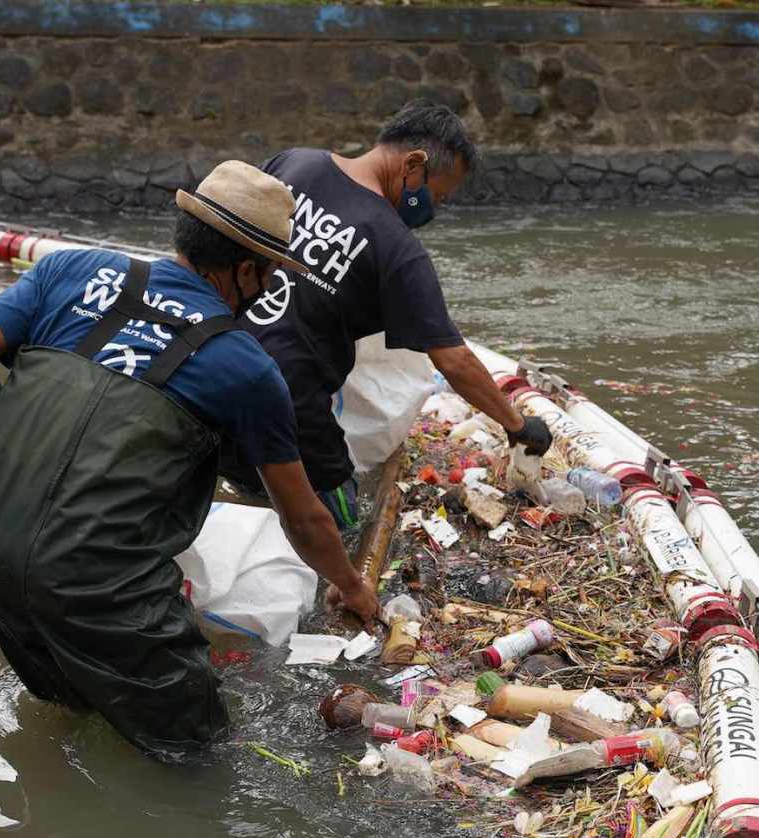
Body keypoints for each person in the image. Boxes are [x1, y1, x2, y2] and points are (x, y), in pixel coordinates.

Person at [0, 161, 379, 762]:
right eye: (271, 274)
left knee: (73, 712)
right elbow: (302, 518)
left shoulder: (68, 269)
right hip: (102, 583)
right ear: (248, 271)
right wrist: (352, 586)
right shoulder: (244, 367)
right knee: (197, 754)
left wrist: (5, 421)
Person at [222, 100, 552, 529]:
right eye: (438, 195)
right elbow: (453, 359)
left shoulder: (293, 164)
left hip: (210, 370)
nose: (432, 210)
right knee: (343, 516)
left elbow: (220, 235)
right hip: (290, 410)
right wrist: (517, 423)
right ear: (413, 166)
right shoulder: (397, 249)